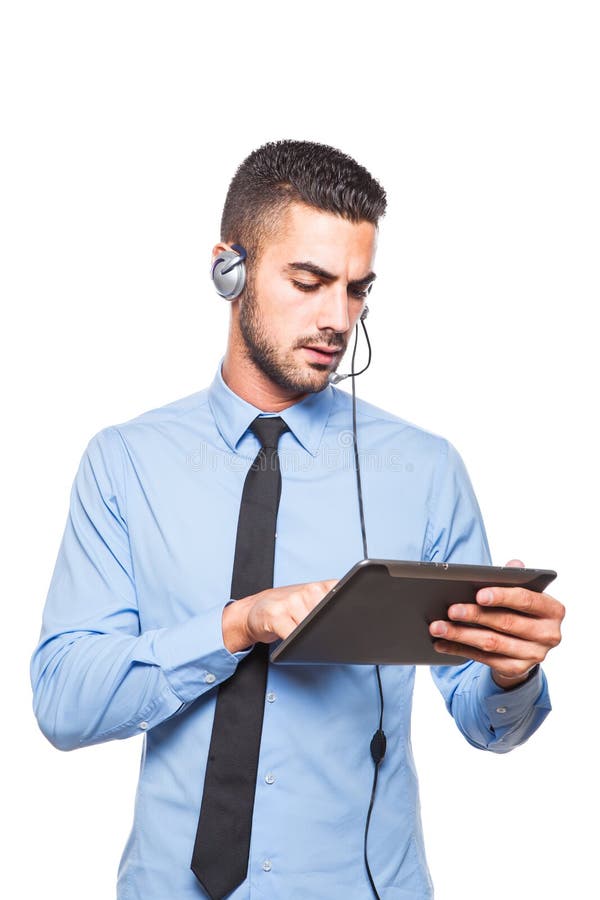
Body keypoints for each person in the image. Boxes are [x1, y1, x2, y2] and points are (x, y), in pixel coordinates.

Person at [30, 139, 565, 900]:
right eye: (309, 282)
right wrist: (235, 625)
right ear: (229, 269)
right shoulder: (125, 463)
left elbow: (488, 724)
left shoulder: (423, 470)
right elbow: (63, 703)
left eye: (356, 290)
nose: (336, 319)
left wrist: (512, 673)